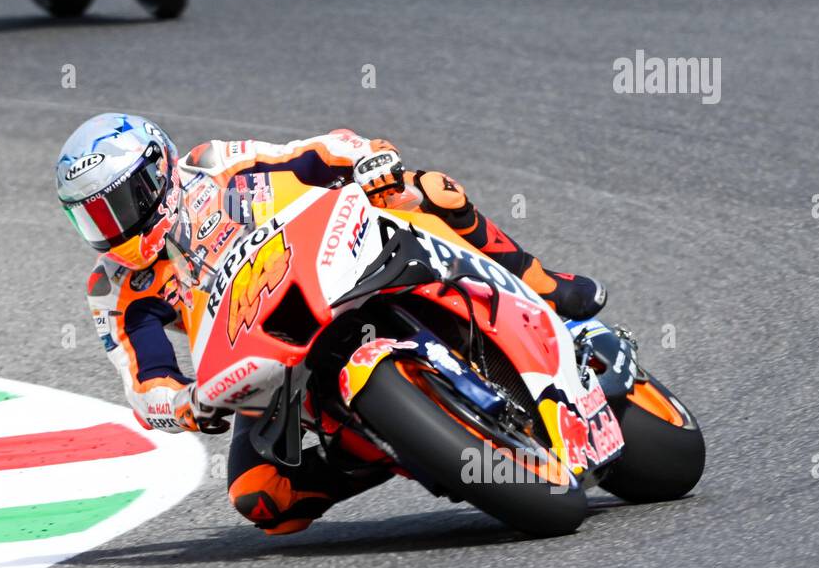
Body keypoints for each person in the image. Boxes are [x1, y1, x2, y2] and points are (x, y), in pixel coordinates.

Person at [56, 113, 607, 534]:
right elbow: (145, 379)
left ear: (157, 173)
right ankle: (400, 438)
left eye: (117, 206)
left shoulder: (218, 164)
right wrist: (184, 405)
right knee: (263, 498)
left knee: (426, 190)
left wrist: (369, 160)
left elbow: (317, 152)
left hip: (346, 257)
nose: (112, 228)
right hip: (272, 358)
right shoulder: (117, 287)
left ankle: (542, 284)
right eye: (92, 218)